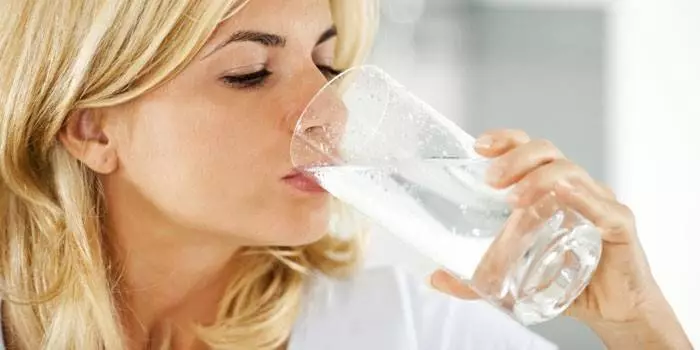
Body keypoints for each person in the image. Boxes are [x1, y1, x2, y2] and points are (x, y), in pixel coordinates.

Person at [0, 0, 692, 349]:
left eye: (328, 65)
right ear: (92, 127)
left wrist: (640, 323)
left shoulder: (407, 329)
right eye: (249, 73)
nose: (330, 116)